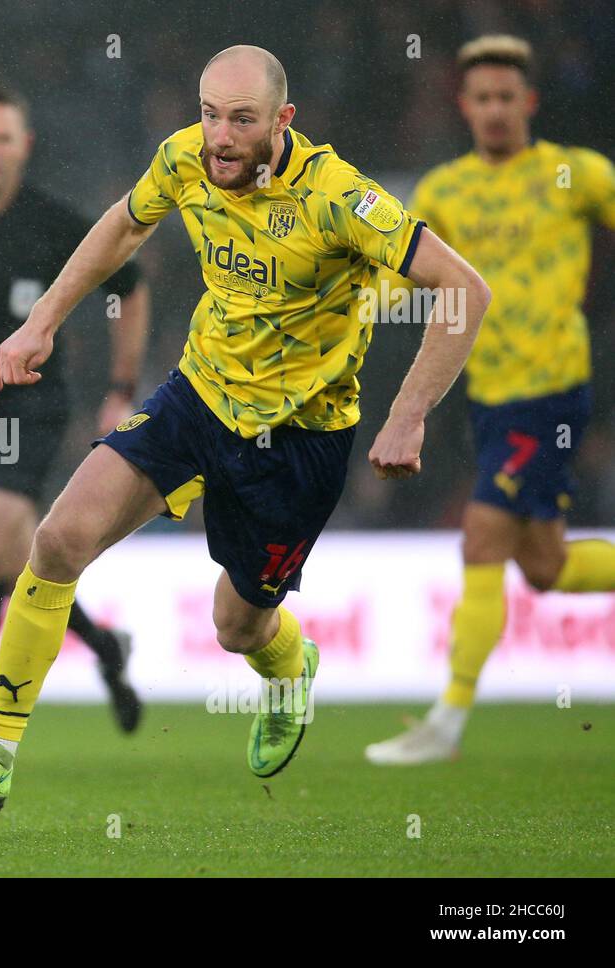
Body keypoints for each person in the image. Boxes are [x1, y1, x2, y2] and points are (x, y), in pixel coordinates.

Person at [0, 45, 490, 810]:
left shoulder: (338, 199)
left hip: (300, 437)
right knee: (57, 540)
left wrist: (409, 415)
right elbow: (122, 229)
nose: (219, 136)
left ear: (283, 122)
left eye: (241, 120)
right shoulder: (186, 157)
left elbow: (464, 289)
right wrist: (43, 322)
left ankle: (289, 669)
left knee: (238, 627)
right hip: (197, 398)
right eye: (209, 114)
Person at [366, 35, 615, 765]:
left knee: (480, 536)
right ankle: (445, 721)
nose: (497, 109)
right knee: (546, 566)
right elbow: (402, 283)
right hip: (486, 395)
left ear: (529, 103)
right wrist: (348, 307)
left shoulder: (575, 175)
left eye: (509, 97)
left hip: (550, 392)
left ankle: (446, 721)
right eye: (484, 98)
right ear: (465, 106)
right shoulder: (445, 190)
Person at [0, 86, 150, 765]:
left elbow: (129, 291)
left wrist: (122, 389)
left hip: (31, 405)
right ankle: (105, 648)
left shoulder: (54, 223)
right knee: (12, 566)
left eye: (3, 139)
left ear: (24, 147)